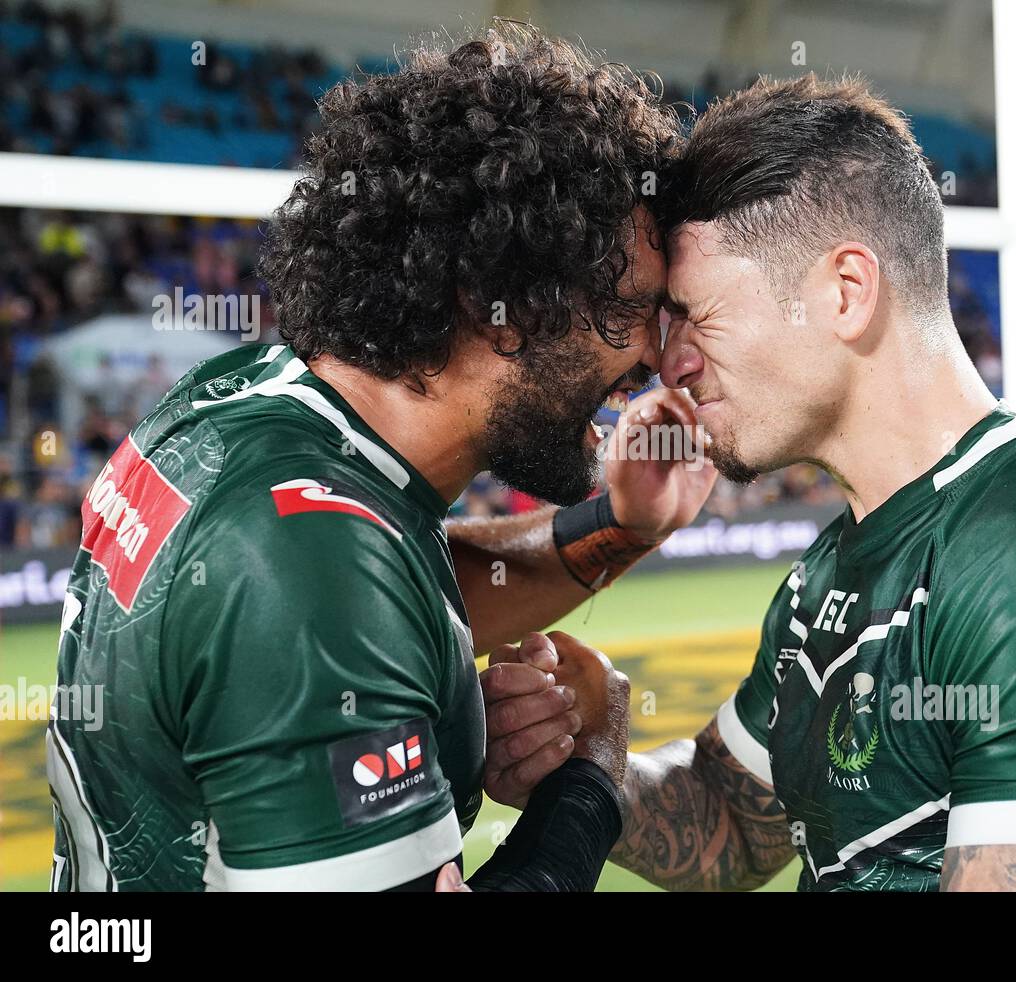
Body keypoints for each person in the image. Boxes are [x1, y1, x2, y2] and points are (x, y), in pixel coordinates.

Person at [484, 74, 1016, 892]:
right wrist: (588, 760)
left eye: (698, 314)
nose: (671, 362)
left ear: (845, 291)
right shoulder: (833, 565)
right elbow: (732, 823)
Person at [48, 24, 716, 893]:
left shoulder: (255, 397)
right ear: (503, 307)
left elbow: (400, 587)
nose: (654, 361)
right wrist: (592, 775)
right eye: (628, 313)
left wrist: (621, 527)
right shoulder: (309, 560)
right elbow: (330, 596)